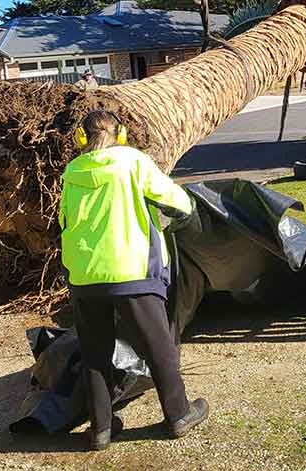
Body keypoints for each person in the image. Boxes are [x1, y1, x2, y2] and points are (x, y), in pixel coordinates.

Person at [59, 108, 208, 450]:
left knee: (95, 353)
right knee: (158, 347)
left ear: (81, 138)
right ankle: (179, 414)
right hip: (131, 270)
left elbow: (65, 221)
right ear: (121, 134)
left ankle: (101, 429)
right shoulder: (133, 161)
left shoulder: (72, 171)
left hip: (83, 275)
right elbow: (178, 203)